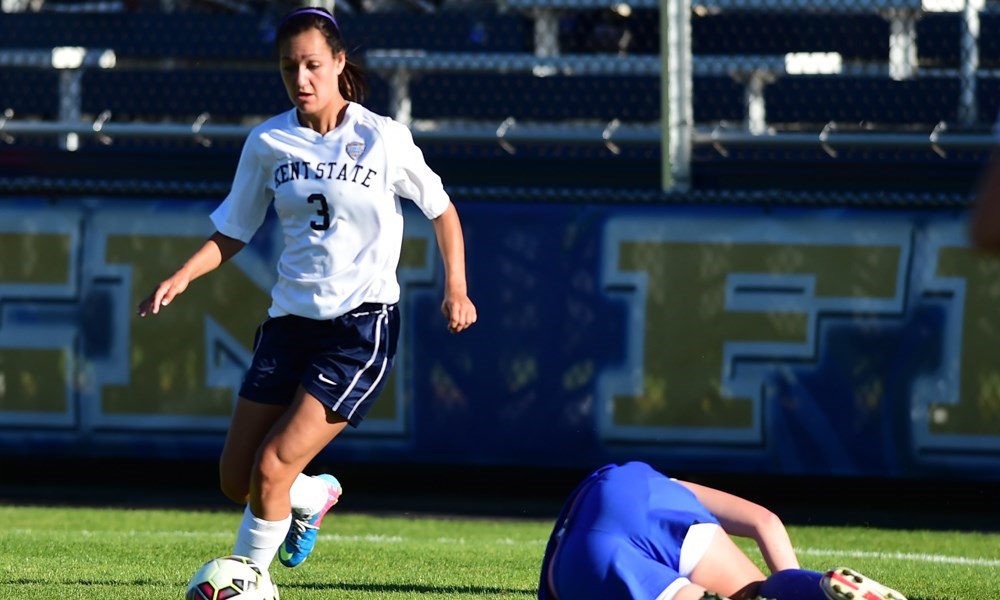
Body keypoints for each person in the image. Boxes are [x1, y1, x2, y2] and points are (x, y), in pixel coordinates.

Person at [137, 3, 477, 578]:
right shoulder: (268, 142)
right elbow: (234, 230)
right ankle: (313, 496)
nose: (302, 79)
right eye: (289, 67)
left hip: (359, 329)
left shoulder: (383, 138)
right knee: (235, 477)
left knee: (272, 467)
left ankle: (248, 582)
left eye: (313, 65)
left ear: (340, 63)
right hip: (290, 324)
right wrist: (181, 276)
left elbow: (442, 211)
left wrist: (457, 288)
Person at [539, 461, 907, 600]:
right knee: (757, 591)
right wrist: (792, 581)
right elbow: (765, 521)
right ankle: (815, 589)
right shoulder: (664, 486)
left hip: (577, 556)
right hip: (646, 496)